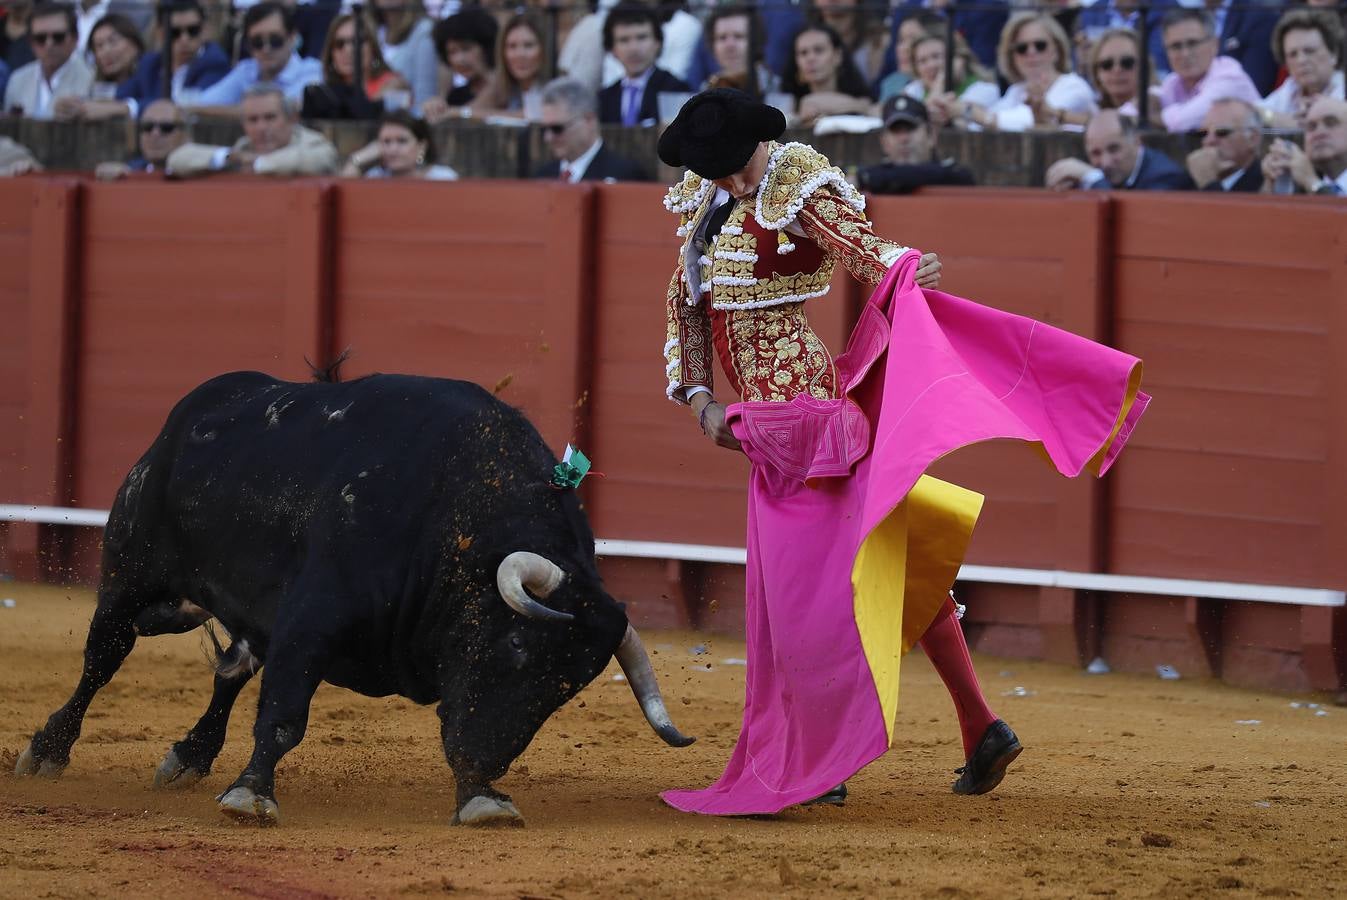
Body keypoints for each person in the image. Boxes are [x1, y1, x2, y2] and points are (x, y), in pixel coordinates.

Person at [655, 88, 1148, 817]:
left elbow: (862, 247)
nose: (727, 180)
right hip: (765, 425)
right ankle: (982, 726)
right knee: (898, 556)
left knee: (806, 597)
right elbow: (686, 304)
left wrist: (904, 266)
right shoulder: (710, 199)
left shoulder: (797, 184)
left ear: (757, 145)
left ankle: (822, 762)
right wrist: (699, 399)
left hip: (805, 421)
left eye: (733, 166)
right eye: (715, 170)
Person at [168, 82, 337, 177]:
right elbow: (176, 160)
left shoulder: (312, 143)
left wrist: (256, 163)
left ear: (291, 119)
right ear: (243, 125)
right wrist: (225, 157)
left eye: (270, 117)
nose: (261, 127)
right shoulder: (242, 149)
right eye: (253, 120)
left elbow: (321, 159)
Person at [966, 13, 1096, 131]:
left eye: (1040, 45)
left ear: (1056, 49)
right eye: (1022, 48)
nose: (1031, 52)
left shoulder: (1074, 86)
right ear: (1012, 57)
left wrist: (969, 112)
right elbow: (978, 127)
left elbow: (1025, 121)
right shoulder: (1016, 91)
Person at [191, 2, 323, 109]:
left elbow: (282, 113)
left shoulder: (312, 72)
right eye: (257, 42)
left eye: (275, 40)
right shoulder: (246, 71)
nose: (266, 49)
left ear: (292, 38)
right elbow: (202, 105)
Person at [1155, 7, 1260, 133]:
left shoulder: (1230, 75)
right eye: (1176, 46)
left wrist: (1151, 116)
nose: (1185, 54)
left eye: (1192, 43)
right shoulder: (1173, 81)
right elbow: (1129, 113)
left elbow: (1183, 123)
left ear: (1215, 44)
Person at [115, 0, 230, 112]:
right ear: (160, 34)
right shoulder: (149, 63)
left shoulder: (215, 62)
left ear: (204, 30)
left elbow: (183, 108)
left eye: (193, 31)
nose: (184, 39)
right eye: (174, 33)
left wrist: (132, 107)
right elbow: (120, 99)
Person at [533, 76, 649, 182]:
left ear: (589, 120)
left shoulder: (624, 175)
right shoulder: (542, 177)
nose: (548, 138)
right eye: (544, 129)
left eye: (557, 128)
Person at [1045, 109, 1192, 191]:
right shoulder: (1098, 175)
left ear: (1136, 141)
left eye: (1114, 149)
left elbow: (1133, 222)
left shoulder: (1166, 177)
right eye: (1095, 153)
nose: (1106, 162)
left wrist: (1093, 179)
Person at [857, 95, 976, 194]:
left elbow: (942, 174)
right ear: (884, 143)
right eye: (896, 131)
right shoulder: (872, 176)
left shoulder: (954, 176)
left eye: (910, 129)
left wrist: (866, 178)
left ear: (931, 136)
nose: (904, 139)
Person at [597, 2, 690, 126]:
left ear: (657, 42)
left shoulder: (676, 90)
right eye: (624, 40)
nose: (633, 48)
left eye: (641, 37)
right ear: (612, 49)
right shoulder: (604, 99)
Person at [301, 12, 408, 119]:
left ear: (373, 48)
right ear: (331, 54)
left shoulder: (393, 85)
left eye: (357, 42)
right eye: (339, 43)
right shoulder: (323, 95)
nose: (348, 50)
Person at [2, 2, 94, 118]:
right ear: (31, 43)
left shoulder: (91, 80)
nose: (49, 44)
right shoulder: (18, 80)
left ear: (75, 39)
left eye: (58, 37)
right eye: (40, 38)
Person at [1261, 9, 1345, 131]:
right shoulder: (1289, 90)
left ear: (1334, 54)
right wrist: (1277, 119)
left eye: (1309, 51)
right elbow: (1248, 112)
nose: (1301, 60)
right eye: (1292, 54)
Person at [781, 22, 874, 126]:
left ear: (837, 56)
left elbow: (870, 108)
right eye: (803, 53)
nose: (810, 58)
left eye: (819, 50)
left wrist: (813, 101)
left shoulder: (864, 100)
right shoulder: (788, 105)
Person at [903, 29, 999, 130]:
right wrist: (940, 83)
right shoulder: (914, 90)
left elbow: (957, 126)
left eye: (936, 56)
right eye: (922, 61)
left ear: (957, 59)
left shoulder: (985, 89)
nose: (931, 65)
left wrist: (942, 79)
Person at [50, 12, 139, 119]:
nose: (106, 51)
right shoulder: (91, 84)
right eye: (99, 46)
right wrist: (67, 109)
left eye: (113, 41)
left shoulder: (151, 78)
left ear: (135, 44)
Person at [420, 7, 496, 123]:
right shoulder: (456, 96)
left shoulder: (510, 86)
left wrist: (458, 113)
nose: (459, 59)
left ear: (485, 48)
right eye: (452, 52)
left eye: (466, 49)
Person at [1262, 96, 1347, 195]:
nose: (1319, 132)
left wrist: (1313, 183)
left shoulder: (1308, 180)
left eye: (1331, 123)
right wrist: (1270, 186)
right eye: (1311, 127)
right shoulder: (1300, 184)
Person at [342, 108, 458, 179]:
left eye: (402, 141)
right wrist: (357, 159)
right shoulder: (375, 178)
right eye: (386, 142)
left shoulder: (442, 178)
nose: (393, 149)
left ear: (421, 146)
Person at [473, 12, 546, 121]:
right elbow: (473, 109)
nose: (520, 54)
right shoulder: (503, 82)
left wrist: (459, 113)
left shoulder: (556, 85)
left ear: (545, 49)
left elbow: (530, 116)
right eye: (512, 46)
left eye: (528, 45)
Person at [95, 98, 187, 179]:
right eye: (147, 127)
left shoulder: (197, 173)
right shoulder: (128, 171)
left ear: (185, 135)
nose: (155, 134)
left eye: (166, 127)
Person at [1185, 98, 1264, 192]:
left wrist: (1208, 184)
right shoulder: (1190, 179)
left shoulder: (1267, 181)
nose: (1209, 141)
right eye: (1204, 133)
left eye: (1222, 132)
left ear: (1253, 138)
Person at [369, 0, 436, 108]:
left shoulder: (424, 31)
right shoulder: (370, 31)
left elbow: (424, 100)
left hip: (407, 122)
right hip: (369, 120)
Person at [700, 4, 780, 96]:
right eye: (722, 37)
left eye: (738, 36)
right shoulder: (706, 90)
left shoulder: (778, 89)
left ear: (756, 41)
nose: (730, 45)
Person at [1087, 28, 1149, 116]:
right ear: (1096, 72)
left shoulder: (1162, 107)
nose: (1117, 70)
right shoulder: (1091, 110)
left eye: (1127, 63)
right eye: (1107, 64)